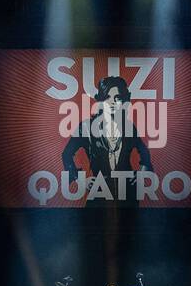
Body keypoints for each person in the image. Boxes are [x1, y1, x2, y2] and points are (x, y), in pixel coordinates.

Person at [61, 76, 155, 205]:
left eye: (118, 98)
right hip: (99, 194)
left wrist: (142, 173)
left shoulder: (129, 127)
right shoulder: (86, 128)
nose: (112, 102)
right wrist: (79, 179)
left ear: (124, 101)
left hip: (127, 196)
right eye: (107, 97)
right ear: (100, 100)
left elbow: (144, 152)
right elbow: (66, 154)